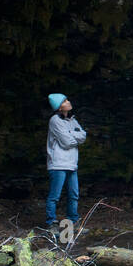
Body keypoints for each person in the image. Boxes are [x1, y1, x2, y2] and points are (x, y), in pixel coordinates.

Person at [45, 93, 87, 233]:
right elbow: (67, 142)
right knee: (55, 196)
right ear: (59, 106)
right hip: (58, 164)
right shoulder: (55, 120)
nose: (68, 102)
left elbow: (83, 135)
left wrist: (72, 135)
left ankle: (73, 222)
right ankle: (51, 224)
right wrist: (74, 136)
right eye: (65, 100)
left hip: (72, 163)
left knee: (73, 194)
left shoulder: (72, 120)